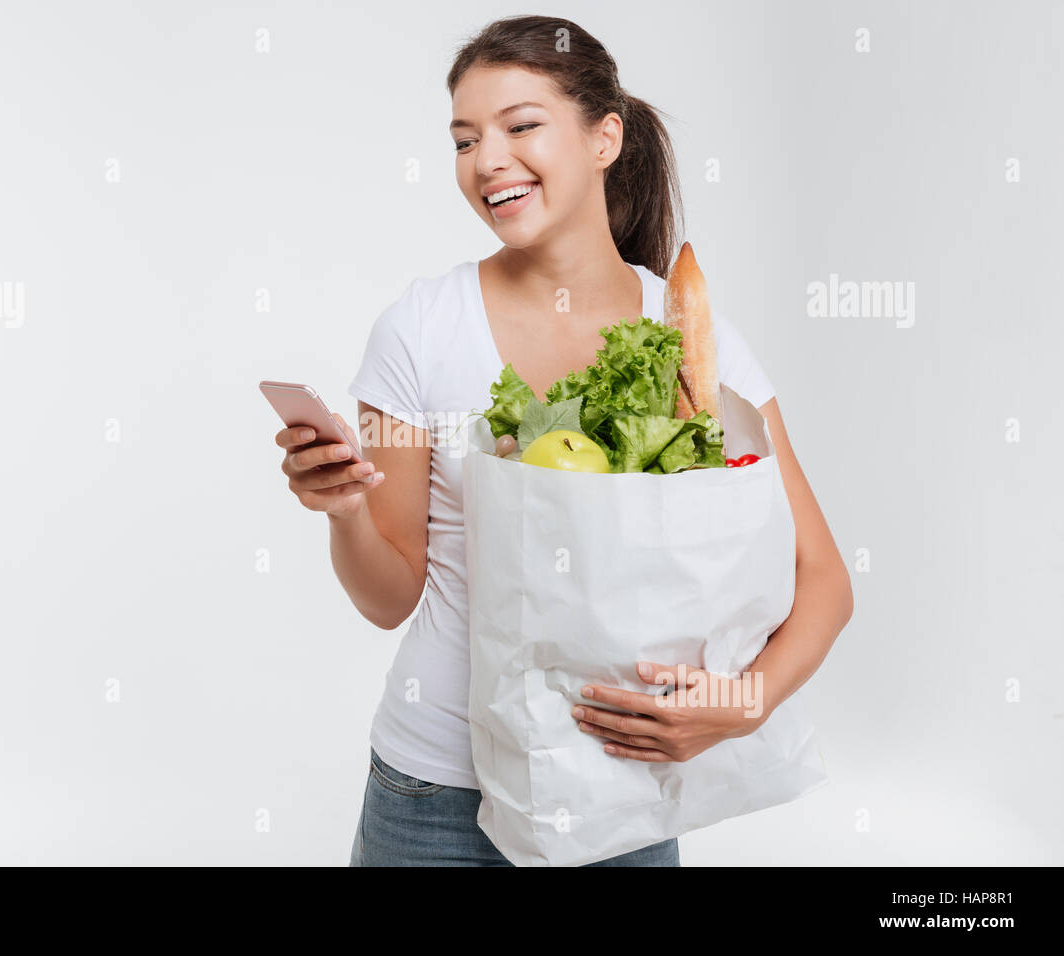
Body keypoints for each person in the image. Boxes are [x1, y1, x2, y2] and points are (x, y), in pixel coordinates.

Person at [273, 15, 853, 866]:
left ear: (605, 137)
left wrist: (744, 702)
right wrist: (345, 513)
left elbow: (825, 579)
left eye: (520, 126)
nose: (487, 162)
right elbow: (388, 597)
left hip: (622, 785)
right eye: (465, 140)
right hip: (434, 791)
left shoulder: (695, 338)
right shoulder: (418, 330)